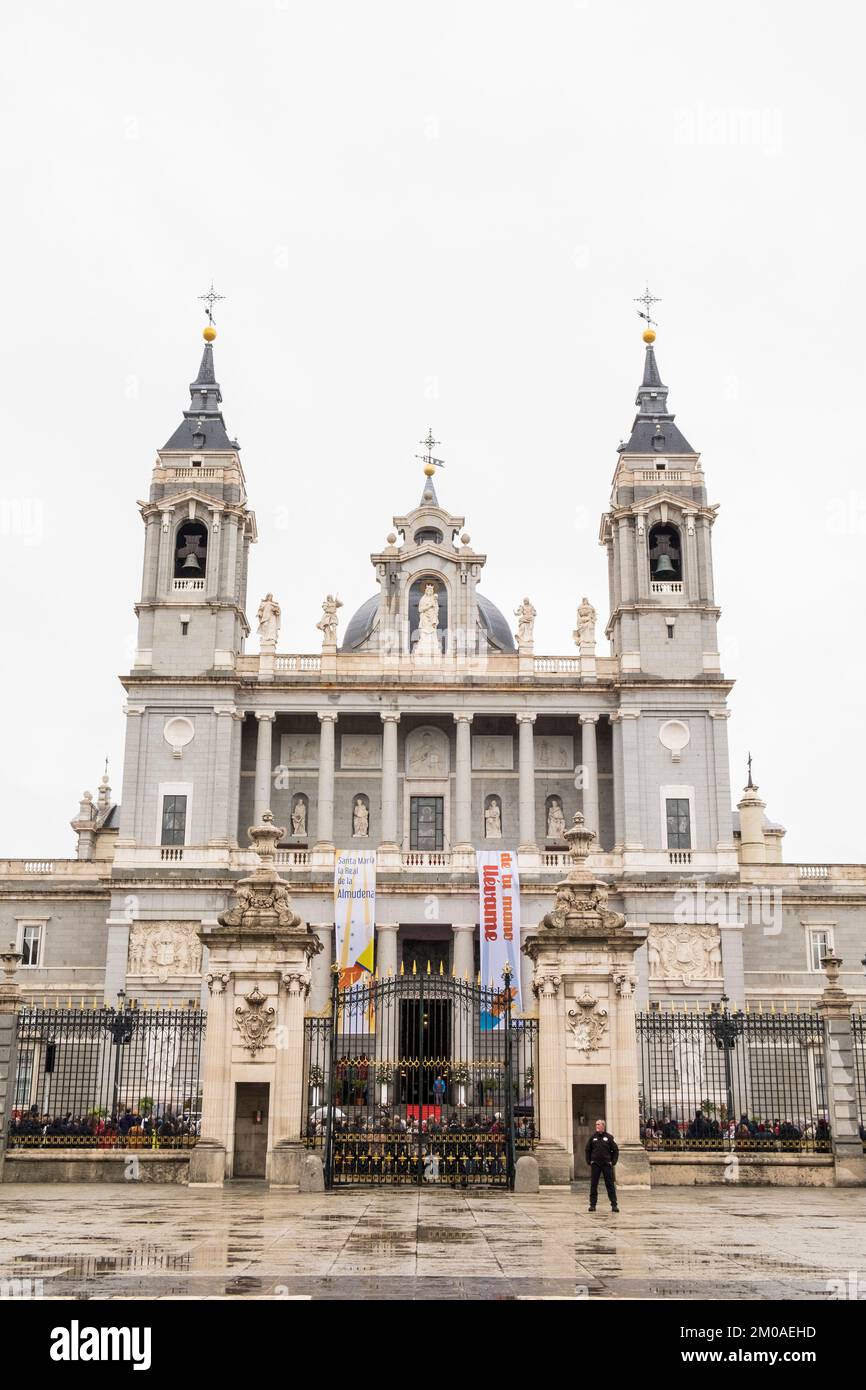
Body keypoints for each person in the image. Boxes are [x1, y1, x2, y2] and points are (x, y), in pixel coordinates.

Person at [585, 1118, 619, 1212]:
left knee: (610, 1184)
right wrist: (589, 1161)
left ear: (603, 1126)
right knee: (594, 1185)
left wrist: (613, 1162)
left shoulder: (609, 1137)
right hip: (595, 1164)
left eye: (598, 1124)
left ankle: (614, 1205)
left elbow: (615, 1150)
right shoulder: (593, 1137)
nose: (596, 1126)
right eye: (596, 1124)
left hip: (606, 1164)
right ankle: (592, 1205)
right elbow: (587, 1149)